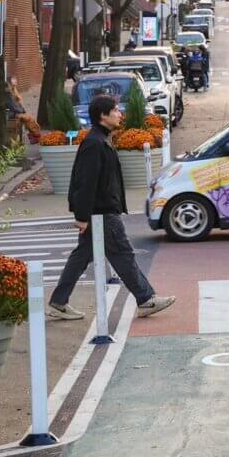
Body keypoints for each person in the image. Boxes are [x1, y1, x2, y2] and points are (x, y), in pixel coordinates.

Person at [45, 94, 176, 322]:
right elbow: (85, 182)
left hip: (99, 212)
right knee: (122, 254)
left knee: (81, 256)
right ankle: (146, 299)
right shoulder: (95, 143)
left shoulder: (101, 139)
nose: (120, 113)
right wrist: (82, 216)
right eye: (115, 110)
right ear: (103, 116)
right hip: (101, 213)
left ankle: (59, 301)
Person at [5, 74, 41, 143]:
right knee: (29, 118)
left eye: (16, 79)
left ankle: (34, 135)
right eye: (13, 80)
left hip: (15, 112)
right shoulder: (8, 93)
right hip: (11, 113)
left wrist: (22, 110)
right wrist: (22, 111)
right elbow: (12, 106)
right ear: (9, 82)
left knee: (29, 117)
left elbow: (18, 104)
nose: (16, 81)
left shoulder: (14, 91)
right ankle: (35, 135)